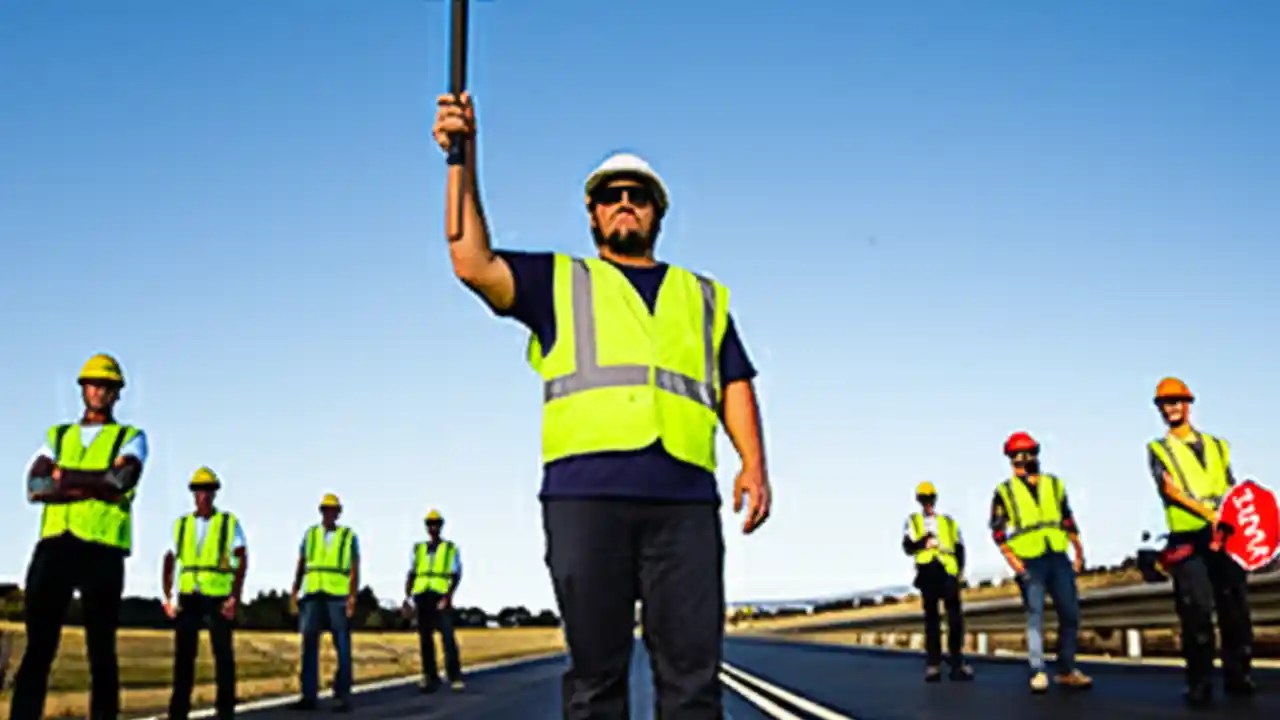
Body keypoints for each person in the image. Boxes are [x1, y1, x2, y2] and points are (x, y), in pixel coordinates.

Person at [432, 92, 772, 718]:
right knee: (595, 679)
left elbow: (734, 382)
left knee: (693, 680)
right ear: (592, 213)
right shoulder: (558, 281)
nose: (623, 204)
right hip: (585, 500)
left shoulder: (702, 296)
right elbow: (470, 260)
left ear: (656, 214)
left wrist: (753, 462)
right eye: (610, 195)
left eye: (636, 196)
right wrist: (462, 155)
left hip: (685, 504)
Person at [9, 353, 148, 720]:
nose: (98, 391)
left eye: (106, 386)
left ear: (117, 393)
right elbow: (35, 486)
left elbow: (120, 482)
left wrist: (64, 479)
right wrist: (94, 481)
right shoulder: (58, 435)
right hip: (55, 545)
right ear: (82, 389)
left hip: (102, 549)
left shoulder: (131, 437)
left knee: (100, 650)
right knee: (38, 646)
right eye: (93, 384)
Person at [1147, 377, 1254, 705]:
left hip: (1224, 536)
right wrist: (1210, 516)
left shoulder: (1218, 446)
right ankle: (1200, 682)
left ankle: (1239, 675)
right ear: (1161, 410)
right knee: (1196, 613)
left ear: (1188, 404)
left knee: (1234, 608)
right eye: (1166, 403)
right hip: (1188, 540)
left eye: (1178, 401)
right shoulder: (1159, 449)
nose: (1173, 407)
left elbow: (1232, 488)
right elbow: (1170, 490)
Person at [989, 431, 1093, 694]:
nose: (1024, 459)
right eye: (1017, 456)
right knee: (1035, 616)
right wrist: (1014, 562)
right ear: (1011, 460)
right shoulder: (1004, 491)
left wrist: (1078, 551)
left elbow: (1068, 519)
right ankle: (1038, 670)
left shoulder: (1054, 485)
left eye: (1028, 453)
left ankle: (1067, 669)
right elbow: (998, 530)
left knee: (1069, 613)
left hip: (1058, 555)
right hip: (1029, 559)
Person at [162, 466, 248, 720]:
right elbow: (169, 559)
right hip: (188, 596)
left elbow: (241, 559)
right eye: (200, 491)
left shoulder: (228, 523)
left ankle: (225, 712)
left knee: (223, 658)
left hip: (217, 597)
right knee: (183, 659)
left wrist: (234, 597)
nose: (204, 496)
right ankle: (178, 713)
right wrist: (167, 596)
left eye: (208, 491)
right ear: (193, 494)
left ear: (215, 494)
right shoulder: (182, 524)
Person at [290, 493, 359, 712]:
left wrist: (352, 596)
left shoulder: (347, 536)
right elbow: (302, 562)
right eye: (325, 510)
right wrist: (295, 588)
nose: (329, 514)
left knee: (342, 646)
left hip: (337, 595)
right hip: (312, 594)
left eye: (333, 511)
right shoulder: (310, 535)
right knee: (309, 645)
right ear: (321, 512)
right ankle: (308, 695)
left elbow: (354, 567)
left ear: (338, 513)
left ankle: (342, 694)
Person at [901, 481, 973, 682]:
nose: (927, 503)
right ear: (918, 500)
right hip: (927, 571)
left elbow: (959, 547)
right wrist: (924, 542)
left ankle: (957, 662)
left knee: (955, 619)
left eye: (930, 499)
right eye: (923, 499)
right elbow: (907, 546)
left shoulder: (948, 521)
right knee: (932, 620)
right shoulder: (912, 521)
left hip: (948, 571)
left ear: (935, 499)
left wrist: (960, 572)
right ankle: (933, 664)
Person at [404, 509, 464, 693]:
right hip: (422, 595)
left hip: (440, 594)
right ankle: (430, 676)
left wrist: (447, 596)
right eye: (430, 524)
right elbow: (412, 573)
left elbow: (455, 574)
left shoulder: (450, 548)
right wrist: (407, 597)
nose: (433, 527)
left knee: (447, 637)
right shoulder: (419, 548)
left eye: (436, 524)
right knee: (425, 639)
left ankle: (454, 675)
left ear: (441, 526)